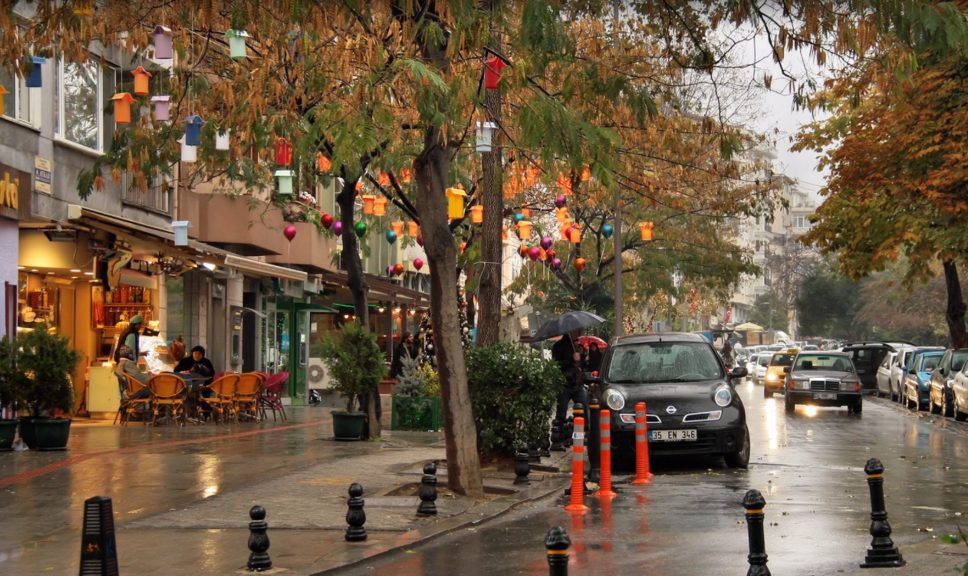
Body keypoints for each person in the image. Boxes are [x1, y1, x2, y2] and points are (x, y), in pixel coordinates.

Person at [551, 329, 587, 445]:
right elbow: (556, 364)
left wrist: (582, 359)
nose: (578, 333)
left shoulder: (577, 345)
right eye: (576, 331)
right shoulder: (559, 346)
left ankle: (584, 434)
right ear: (569, 332)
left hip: (577, 384)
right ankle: (559, 437)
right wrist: (571, 359)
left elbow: (580, 365)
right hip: (564, 384)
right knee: (561, 412)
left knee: (584, 407)